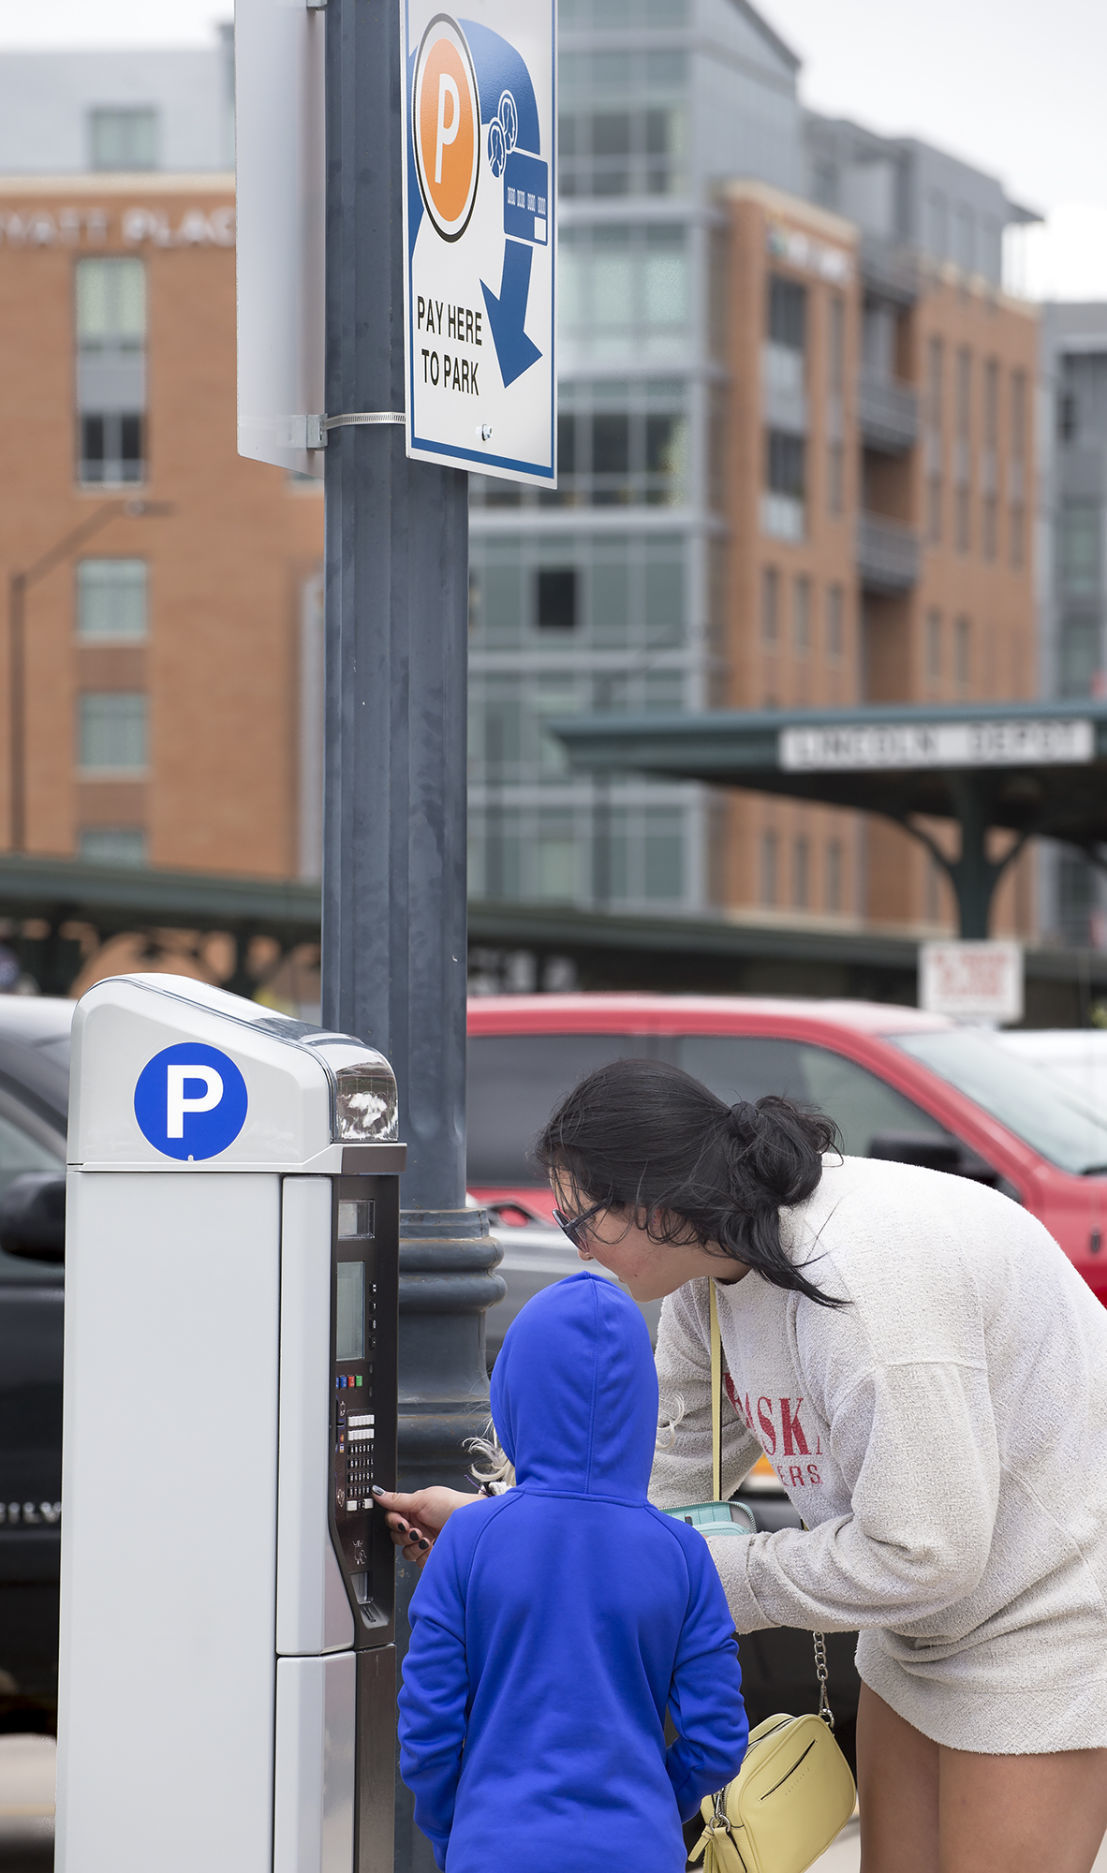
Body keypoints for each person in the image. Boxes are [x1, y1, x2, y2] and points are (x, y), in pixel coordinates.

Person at [378, 1056, 1107, 1873]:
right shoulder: (710, 1277)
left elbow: (924, 1553)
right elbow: (649, 1478)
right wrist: (503, 1536)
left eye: (580, 1218)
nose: (573, 1244)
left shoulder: (866, 1287)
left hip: (1050, 1611)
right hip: (918, 1632)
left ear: (651, 1200)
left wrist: (698, 1574)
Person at [393, 1267, 747, 1873]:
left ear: (513, 1394)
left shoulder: (470, 1539)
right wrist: (654, 1805)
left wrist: (458, 1831)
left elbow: (428, 1730)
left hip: (495, 1848)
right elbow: (716, 1740)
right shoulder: (682, 1554)